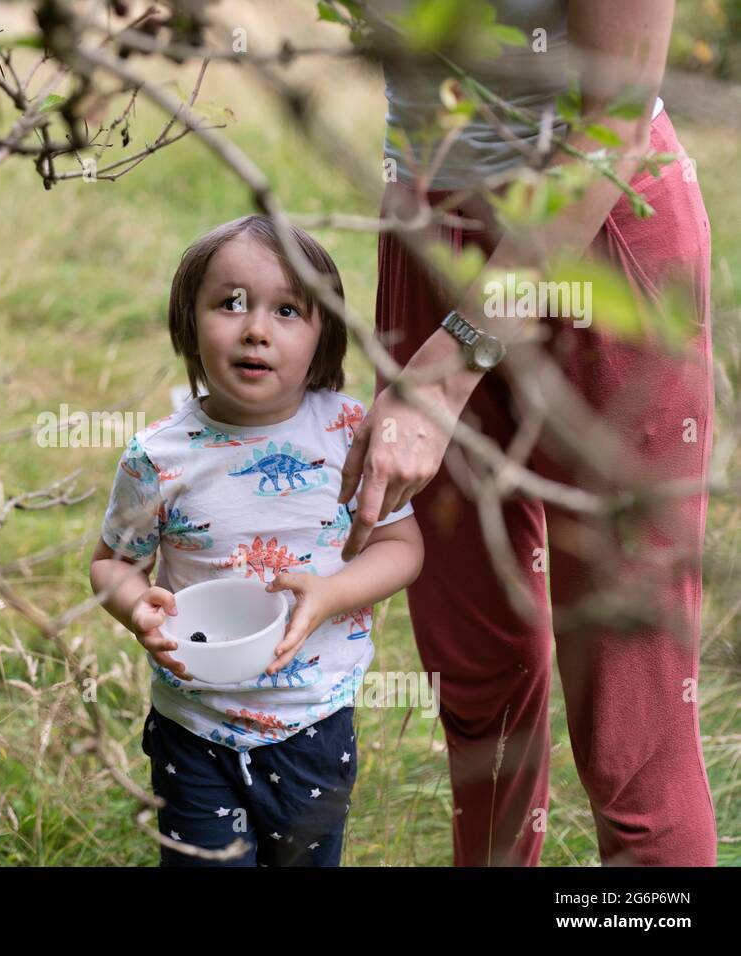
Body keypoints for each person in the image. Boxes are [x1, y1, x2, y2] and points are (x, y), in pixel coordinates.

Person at [349, 0, 717, 864]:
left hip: (598, 237)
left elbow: (615, 114)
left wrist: (447, 367)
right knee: (480, 692)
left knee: (635, 726)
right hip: (428, 227)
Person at [88, 214, 424, 866]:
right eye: (230, 303)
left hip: (313, 724)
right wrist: (135, 606)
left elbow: (402, 548)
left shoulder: (349, 435)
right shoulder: (159, 457)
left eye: (288, 310)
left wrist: (331, 594)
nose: (256, 329)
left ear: (324, 333)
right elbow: (113, 565)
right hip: (193, 727)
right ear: (189, 322)